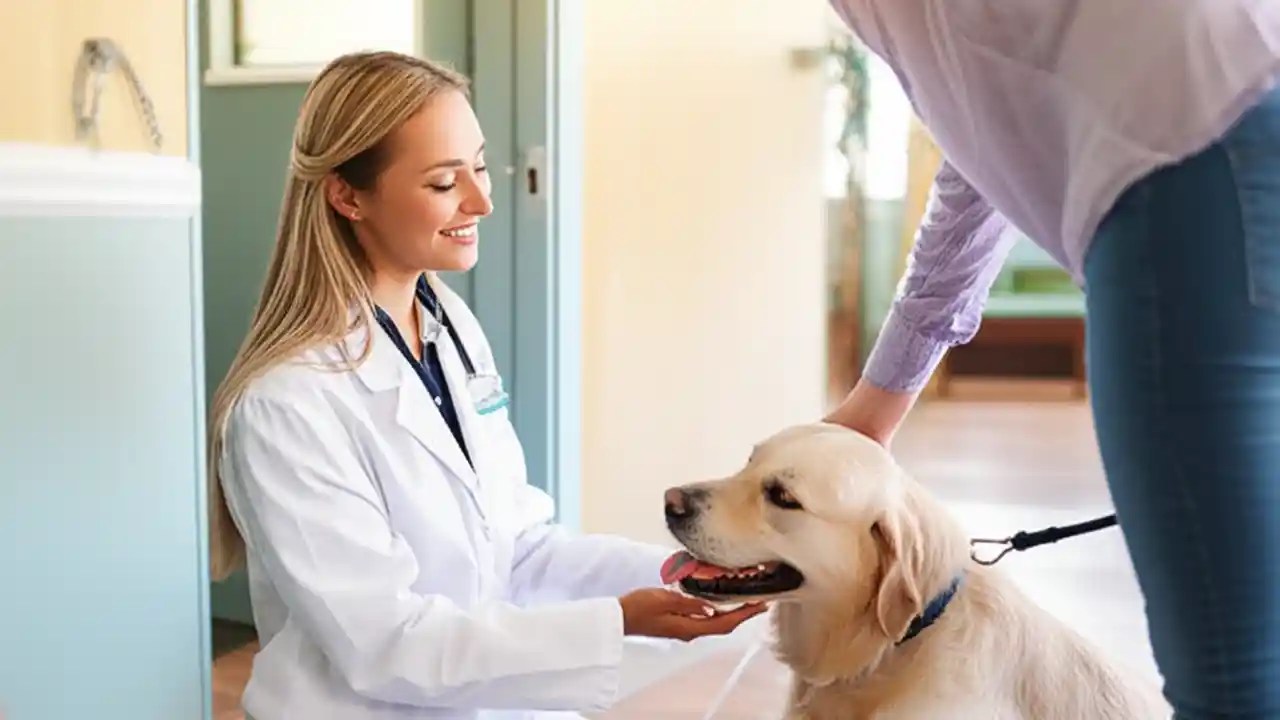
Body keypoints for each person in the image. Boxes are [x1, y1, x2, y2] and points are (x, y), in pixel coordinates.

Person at [205, 51, 765, 720]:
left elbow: (517, 547)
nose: (483, 200)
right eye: (445, 182)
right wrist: (618, 621)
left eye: (479, 165)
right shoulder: (285, 406)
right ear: (347, 194)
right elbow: (387, 645)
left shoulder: (448, 326)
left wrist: (681, 572)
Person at [820, 2, 1280, 718]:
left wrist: (876, 402)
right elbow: (980, 156)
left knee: (1234, 680)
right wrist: (879, 401)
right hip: (1230, 107)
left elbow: (976, 153)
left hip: (1190, 153)